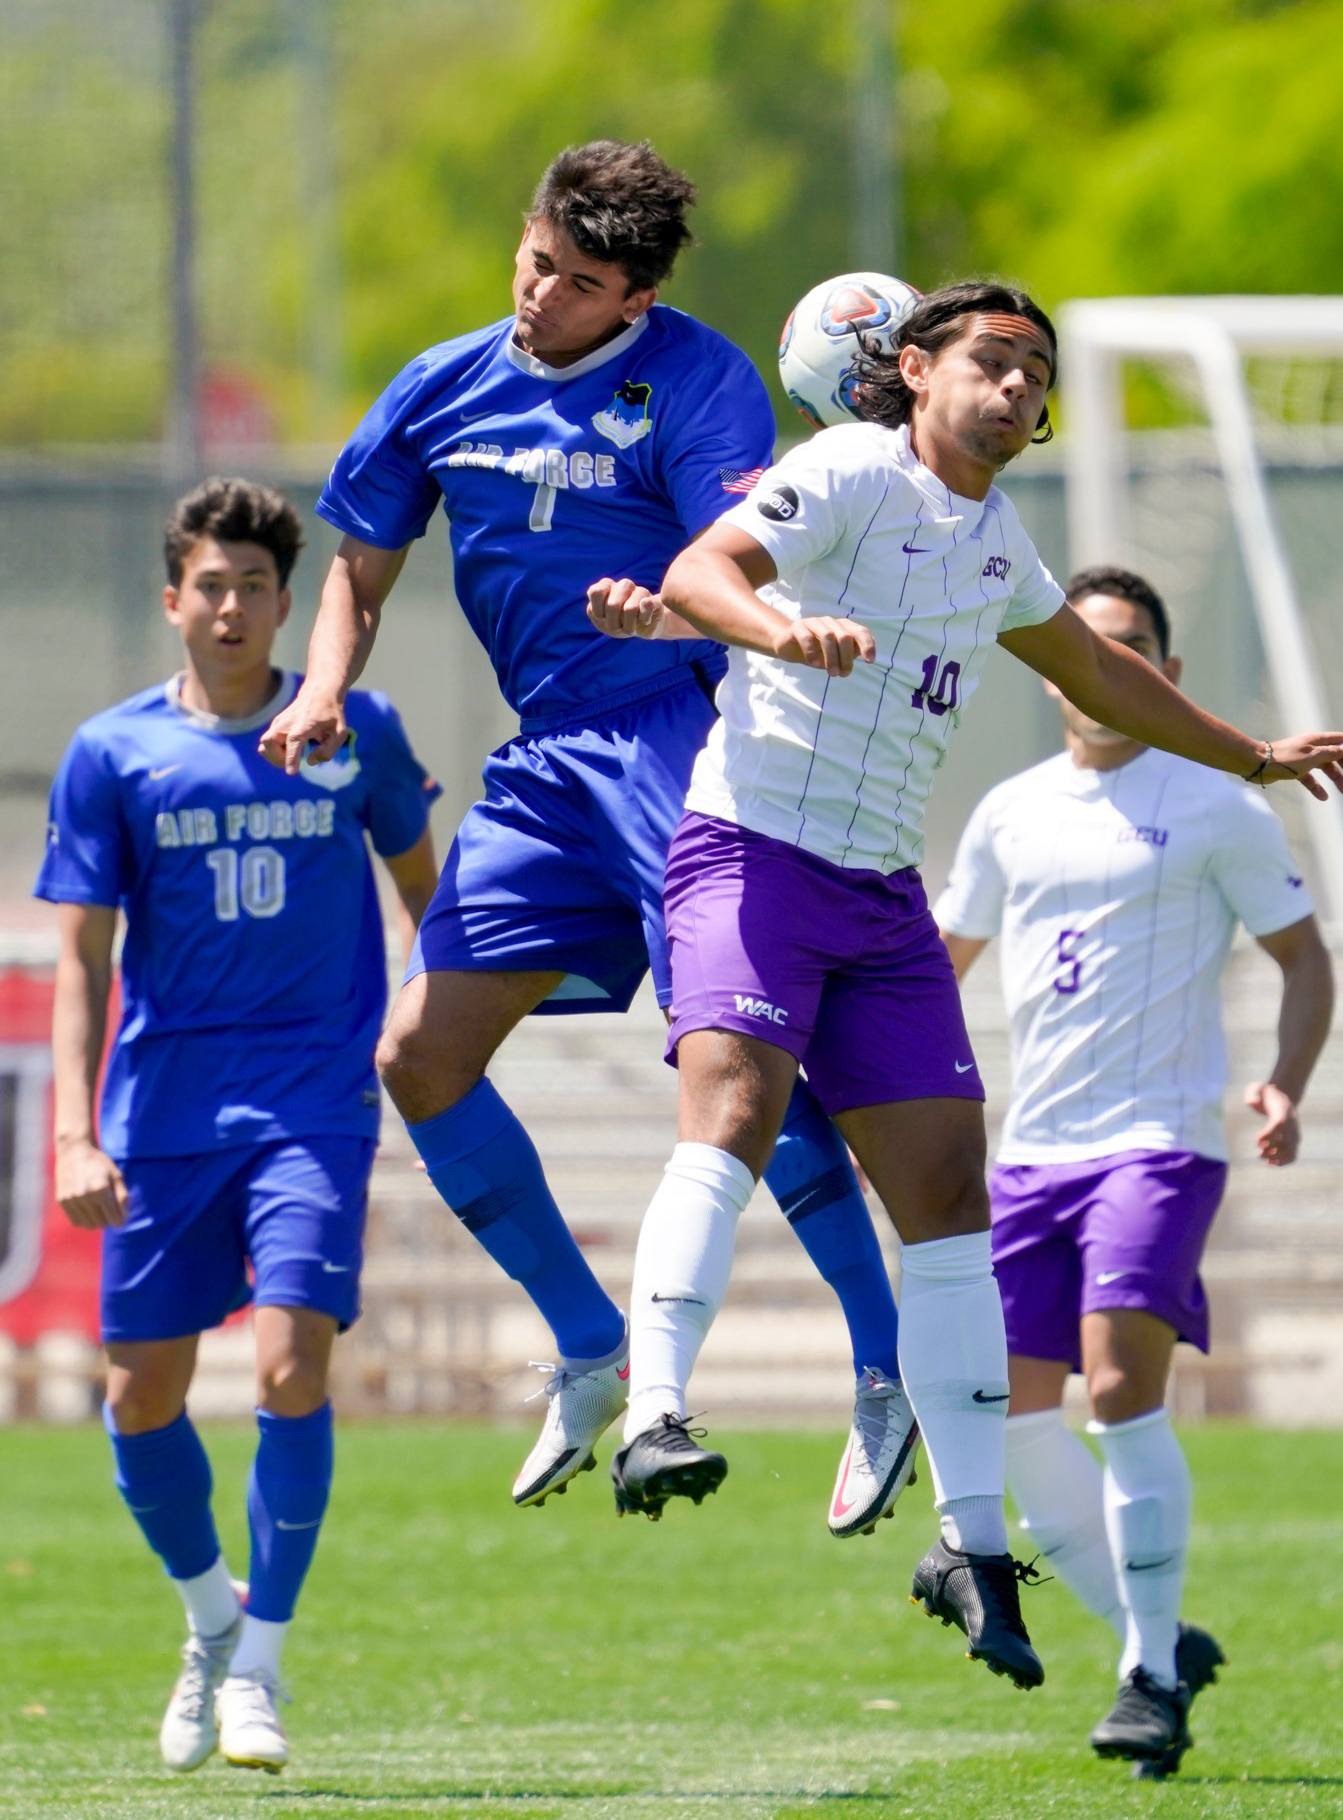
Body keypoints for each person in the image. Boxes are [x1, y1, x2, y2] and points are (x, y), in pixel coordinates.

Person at [587, 280, 1343, 1694]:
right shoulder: (839, 471)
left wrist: (1252, 756)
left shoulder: (997, 541)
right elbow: (704, 573)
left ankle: (968, 1537)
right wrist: (773, 635)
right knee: (737, 1111)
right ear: (915, 369)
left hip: (879, 895)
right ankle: (654, 1412)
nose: (1016, 387)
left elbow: (1099, 677)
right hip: (753, 852)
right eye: (993, 360)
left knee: (948, 1199)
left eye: (1034, 373)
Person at [258, 139, 916, 1538]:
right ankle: (587, 1338)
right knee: (417, 1056)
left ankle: (885, 1363)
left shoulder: (696, 378)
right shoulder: (439, 384)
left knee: (735, 1065)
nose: (536, 292)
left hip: (684, 744)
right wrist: (321, 685)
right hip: (547, 766)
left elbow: (742, 573)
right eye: (534, 256)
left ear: (635, 301)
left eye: (576, 283)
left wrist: (665, 611)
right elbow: (355, 576)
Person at [37, 478, 440, 1775]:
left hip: (314, 1106)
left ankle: (260, 1662)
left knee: (287, 1369)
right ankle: (209, 1620)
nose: (230, 606)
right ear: (173, 600)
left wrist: (433, 1037)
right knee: (137, 1395)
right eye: (208, 585)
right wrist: (72, 1136)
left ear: (287, 604)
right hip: (160, 1116)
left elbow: (431, 903)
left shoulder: (356, 731)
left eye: (255, 586)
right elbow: (83, 963)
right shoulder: (113, 753)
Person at [932, 564, 1335, 1771]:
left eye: (1136, 646)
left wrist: (1284, 1078)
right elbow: (937, 964)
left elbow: (1306, 960)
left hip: (1155, 1145)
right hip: (1031, 1157)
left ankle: (1149, 1676)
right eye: (1088, 643)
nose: (1109, 663)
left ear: (1166, 671)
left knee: (1116, 1390)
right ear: (1055, 665)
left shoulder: (1216, 802)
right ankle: (1145, 1636)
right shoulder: (1008, 811)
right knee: (1006, 1418)